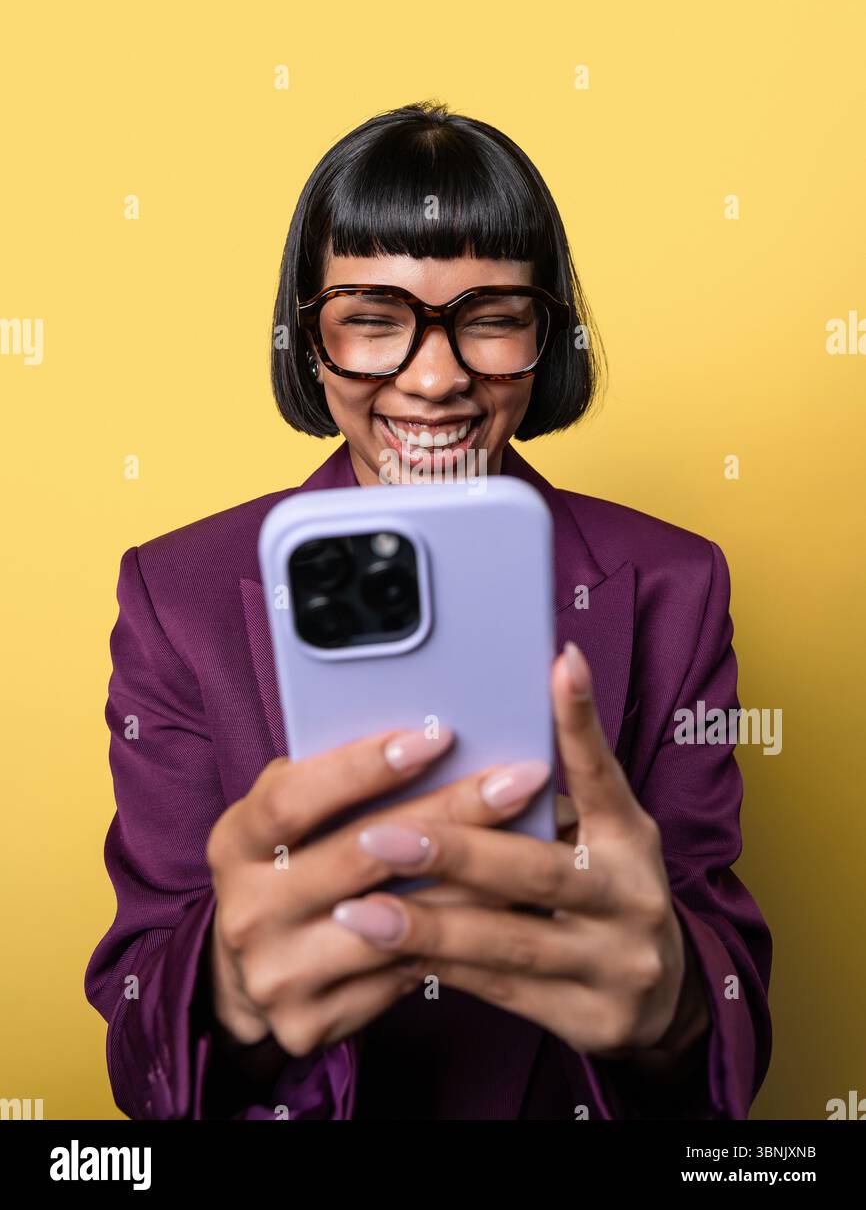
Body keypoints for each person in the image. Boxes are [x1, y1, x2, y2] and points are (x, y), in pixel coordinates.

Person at [84, 101, 772, 1119]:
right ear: (310, 342)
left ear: (545, 334)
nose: (435, 376)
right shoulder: (174, 595)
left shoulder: (675, 583)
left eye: (490, 316)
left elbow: (730, 1024)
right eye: (371, 317)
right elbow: (142, 1044)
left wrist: (671, 1002)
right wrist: (224, 992)